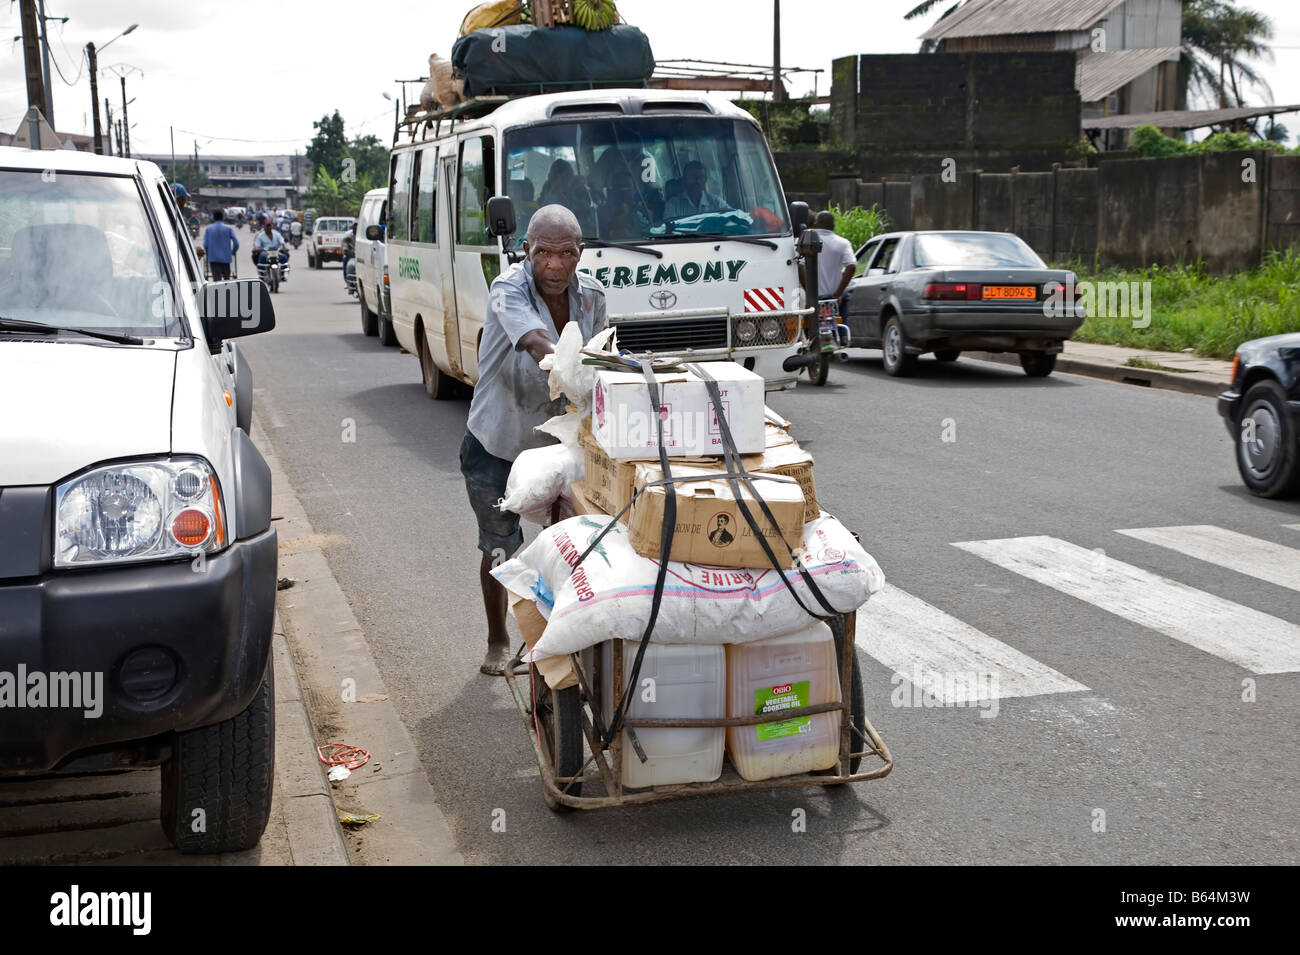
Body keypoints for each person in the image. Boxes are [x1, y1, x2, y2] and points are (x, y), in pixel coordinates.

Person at [461, 205, 607, 676]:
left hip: (557, 444)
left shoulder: (593, 297)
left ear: (580, 254)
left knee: (566, 542)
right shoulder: (507, 288)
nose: (555, 265)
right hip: (497, 442)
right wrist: (568, 361)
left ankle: (552, 636)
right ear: (527, 251)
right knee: (499, 544)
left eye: (567, 254)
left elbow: (600, 355)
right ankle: (497, 638)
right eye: (544, 253)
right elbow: (535, 341)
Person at [807, 210, 856, 311]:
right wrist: (838, 294)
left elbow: (800, 267)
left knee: (810, 325)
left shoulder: (806, 241)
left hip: (813, 299)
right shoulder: (843, 243)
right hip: (835, 300)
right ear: (833, 226)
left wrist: (810, 293)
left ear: (816, 224)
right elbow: (851, 266)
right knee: (841, 325)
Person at [663, 160, 728, 221]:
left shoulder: (716, 202)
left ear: (705, 180)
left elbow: (732, 217)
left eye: (700, 177)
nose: (697, 181)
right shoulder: (673, 205)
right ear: (684, 180)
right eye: (692, 177)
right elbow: (669, 229)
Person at [203, 208, 240, 280]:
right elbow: (236, 243)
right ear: (222, 217)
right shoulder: (228, 229)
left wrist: (209, 253)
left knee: (217, 281)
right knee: (226, 280)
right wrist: (232, 252)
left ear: (213, 218)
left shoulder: (208, 229)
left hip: (214, 259)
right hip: (226, 258)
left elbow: (205, 245)